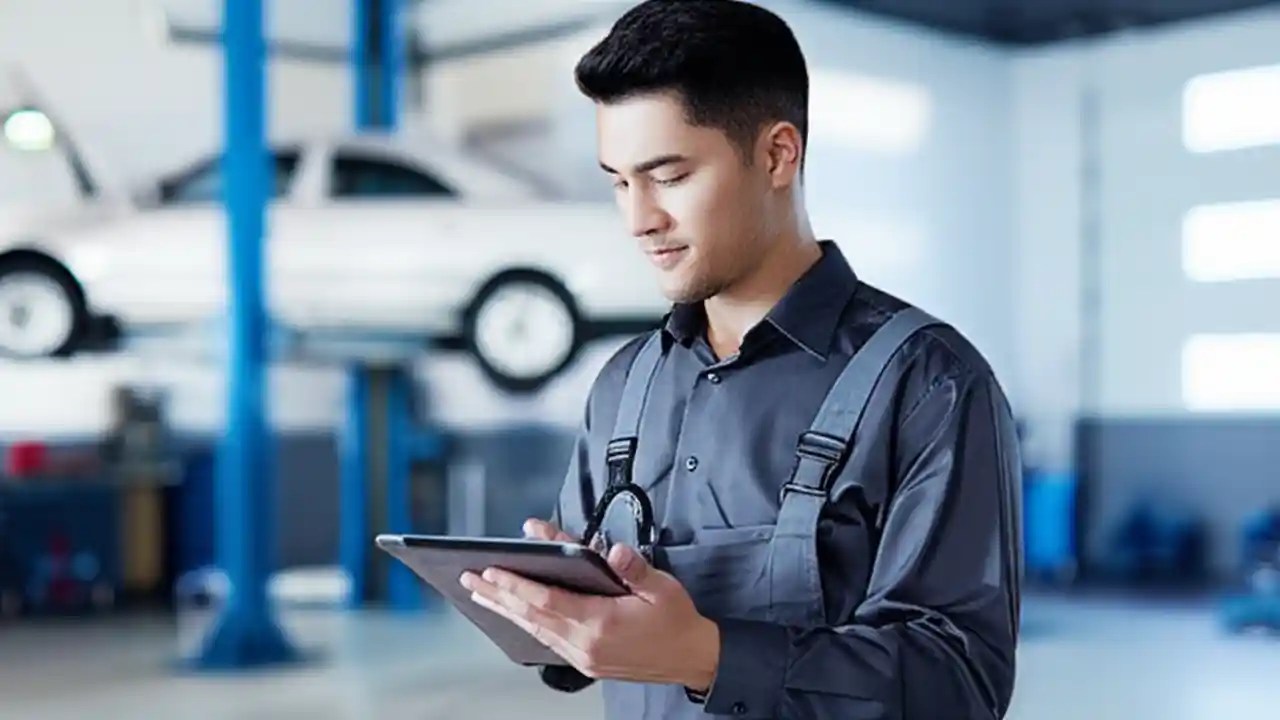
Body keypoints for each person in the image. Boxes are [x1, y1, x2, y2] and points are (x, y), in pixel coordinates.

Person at [458, 1, 1023, 718]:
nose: (639, 220)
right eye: (619, 181)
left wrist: (703, 654)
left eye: (668, 175)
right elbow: (577, 659)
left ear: (777, 154)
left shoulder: (928, 386)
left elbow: (960, 687)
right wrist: (553, 610)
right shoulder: (623, 387)